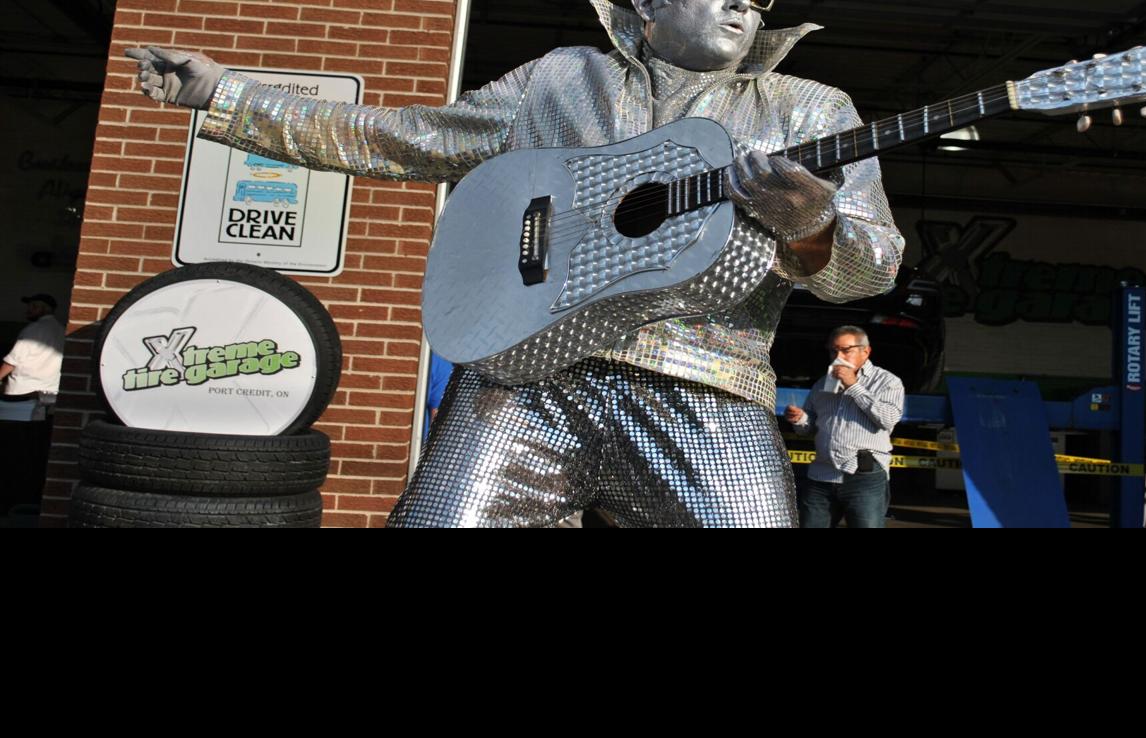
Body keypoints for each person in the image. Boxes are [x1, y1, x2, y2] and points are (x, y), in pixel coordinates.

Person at [125, 0, 903, 527]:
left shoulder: (810, 110)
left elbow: (873, 268)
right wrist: (225, 95)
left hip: (706, 391)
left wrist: (811, 227)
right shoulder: (559, 78)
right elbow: (405, 136)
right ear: (648, 2)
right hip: (523, 378)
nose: (744, 4)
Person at [784, 326, 903, 527]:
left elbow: (888, 419)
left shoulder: (888, 381)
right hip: (822, 473)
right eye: (833, 350)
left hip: (864, 474)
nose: (838, 356)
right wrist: (799, 419)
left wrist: (854, 386)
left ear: (865, 351)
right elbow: (809, 428)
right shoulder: (822, 383)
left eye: (846, 350)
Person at [0, 294, 67, 509]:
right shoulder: (61, 330)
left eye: (32, 306)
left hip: (21, 401)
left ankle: (9, 498)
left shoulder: (32, 331)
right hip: (49, 401)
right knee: (35, 452)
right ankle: (29, 498)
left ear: (42, 308)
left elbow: (12, 362)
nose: (28, 310)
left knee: (12, 453)